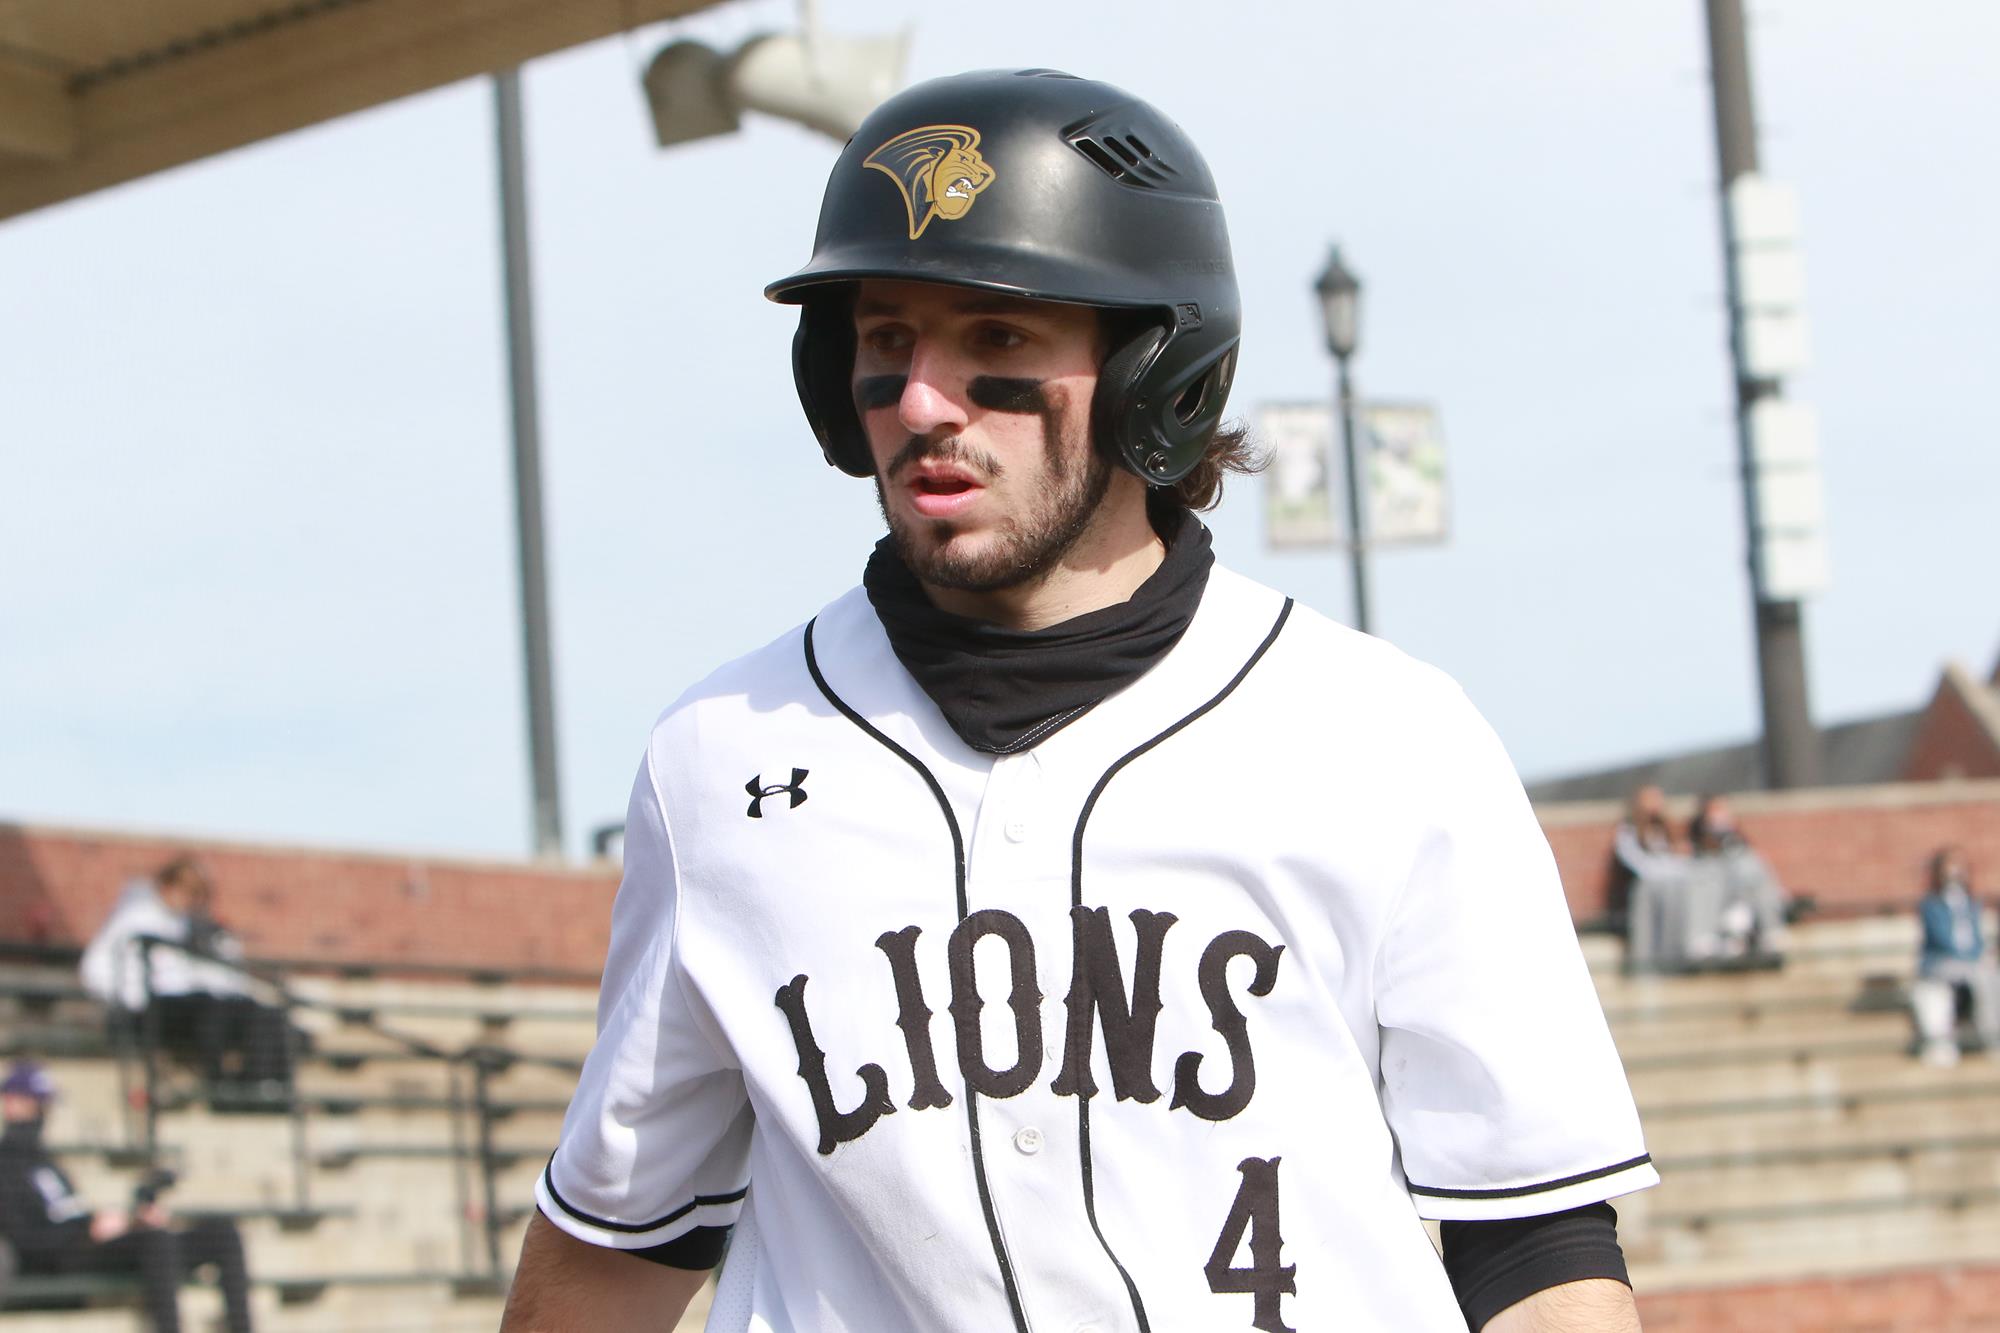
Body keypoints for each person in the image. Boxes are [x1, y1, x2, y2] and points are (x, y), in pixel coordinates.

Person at [501, 70, 1656, 1333]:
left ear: (1155, 373)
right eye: (885, 340)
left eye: (996, 340)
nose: (923, 402)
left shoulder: (1387, 740)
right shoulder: (719, 762)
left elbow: (1532, 1241)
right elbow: (616, 1245)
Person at [0, 1061, 254, 1332]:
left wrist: (131, 1221)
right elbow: (24, 1240)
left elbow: (74, 1211)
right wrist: (87, 1229)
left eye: (43, 1106)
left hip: (94, 1244)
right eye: (33, 1105)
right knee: (156, 1241)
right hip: (61, 1259)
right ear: (8, 1103)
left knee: (222, 1234)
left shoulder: (46, 1163)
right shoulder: (5, 1165)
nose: (41, 1115)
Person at [79, 856, 294, 1103]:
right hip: (152, 1007)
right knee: (211, 1013)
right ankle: (217, 1088)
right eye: (187, 891)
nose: (190, 900)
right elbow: (95, 968)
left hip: (195, 1001)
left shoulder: (194, 926)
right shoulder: (134, 919)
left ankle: (264, 1086)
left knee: (265, 1014)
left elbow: (214, 974)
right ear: (167, 886)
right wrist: (132, 998)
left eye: (196, 894)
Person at [1912, 846, 1999, 1065]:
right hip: (1942, 962)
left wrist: (1981, 954)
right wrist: (1968, 956)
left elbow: (1977, 936)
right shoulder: (1930, 904)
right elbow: (1940, 937)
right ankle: (1940, 1042)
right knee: (1936, 988)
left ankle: (1993, 1035)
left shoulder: (1971, 902)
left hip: (1970, 962)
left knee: (1991, 978)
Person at [1685, 794, 1787, 967]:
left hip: (1742, 906)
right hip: (1715, 906)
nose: (1721, 818)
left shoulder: (1740, 848)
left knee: (1752, 868)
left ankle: (1766, 932)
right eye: (1715, 812)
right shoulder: (1699, 848)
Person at [1614, 784, 1689, 971]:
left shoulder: (1669, 831)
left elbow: (1683, 863)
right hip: (1644, 892)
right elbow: (1639, 865)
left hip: (1673, 888)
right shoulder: (1628, 831)